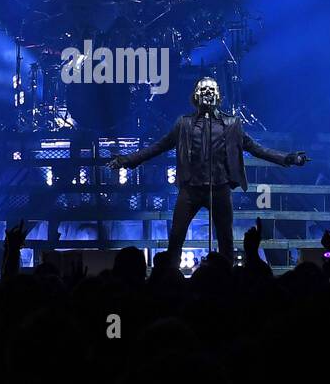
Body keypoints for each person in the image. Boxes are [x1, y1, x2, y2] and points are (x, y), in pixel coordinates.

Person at [108, 75, 307, 265]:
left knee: (225, 238)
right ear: (196, 95)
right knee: (176, 236)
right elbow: (159, 146)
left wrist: (288, 158)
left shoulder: (231, 124)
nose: (208, 93)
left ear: (218, 96)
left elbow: (256, 148)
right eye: (204, 90)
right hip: (191, 189)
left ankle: (225, 277)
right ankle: (170, 274)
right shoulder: (184, 124)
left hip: (219, 188)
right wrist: (127, 160)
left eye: (212, 90)